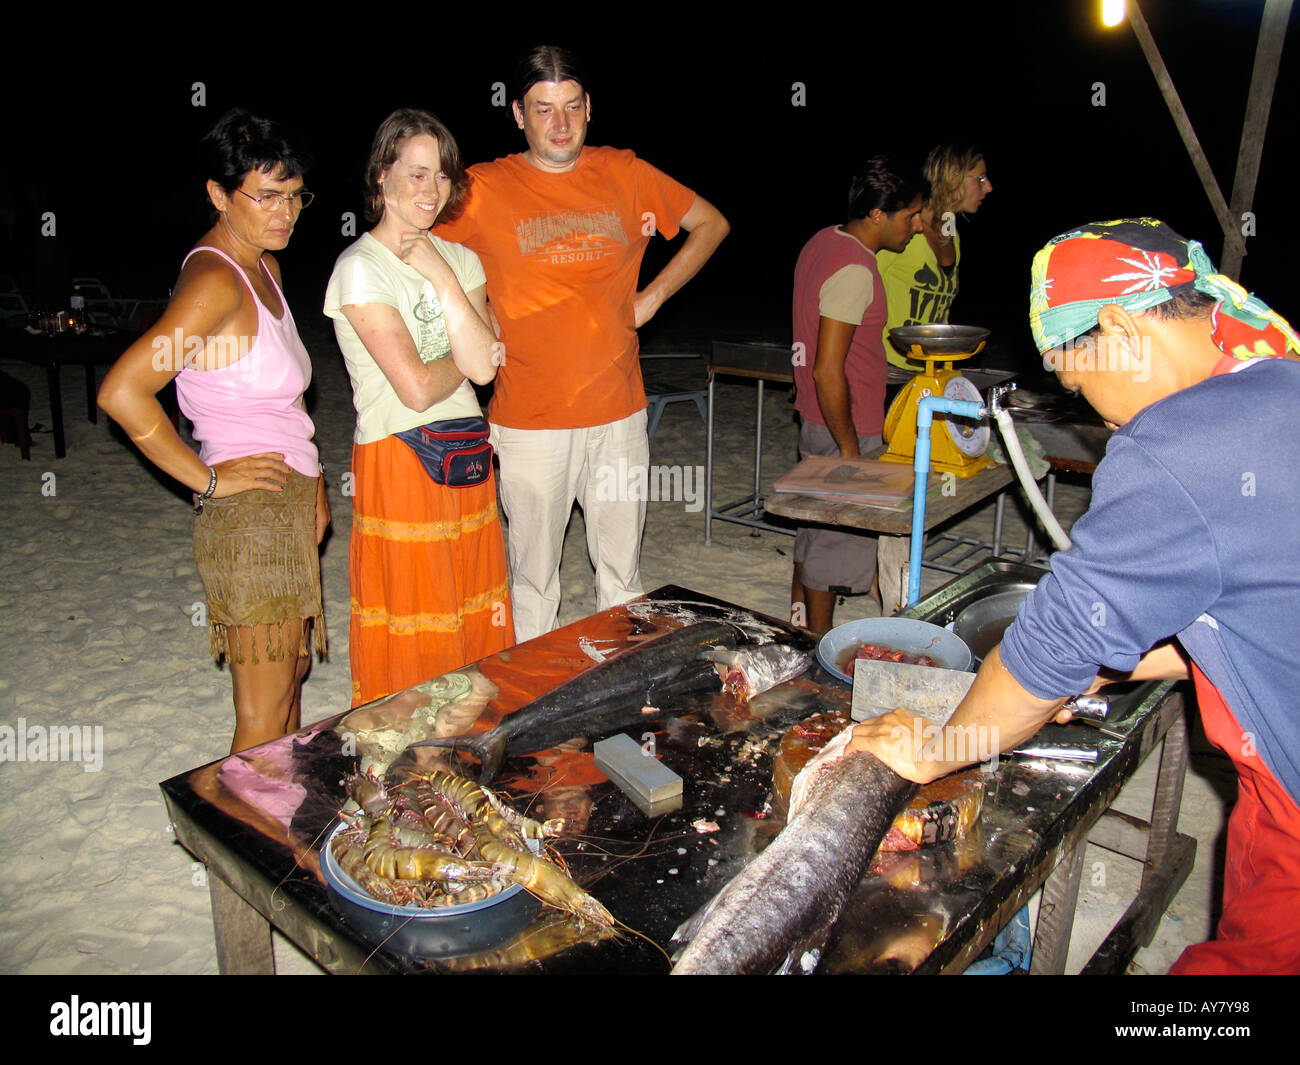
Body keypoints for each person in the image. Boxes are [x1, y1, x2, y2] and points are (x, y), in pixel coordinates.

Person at [849, 218, 1300, 973]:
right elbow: (1258, 609)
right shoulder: (1272, 378)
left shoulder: (1174, 448)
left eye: (1081, 384)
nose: (1100, 417)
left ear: (1121, 327)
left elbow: (1046, 651)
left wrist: (939, 748)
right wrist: (1119, 665)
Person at [434, 45, 730, 642]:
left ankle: (614, 696)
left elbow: (712, 224)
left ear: (589, 106)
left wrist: (655, 296)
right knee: (534, 581)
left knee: (622, 578)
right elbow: (412, 245)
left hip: (619, 412)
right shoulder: (484, 187)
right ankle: (533, 705)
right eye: (544, 109)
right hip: (529, 418)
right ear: (518, 114)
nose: (560, 124)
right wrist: (474, 314)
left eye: (572, 106)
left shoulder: (627, 173)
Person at [98, 109, 328, 753]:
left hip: (284, 499)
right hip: (248, 517)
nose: (285, 213)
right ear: (218, 194)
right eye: (265, 197)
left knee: (294, 675)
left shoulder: (264, 266)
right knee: (262, 709)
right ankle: (235, 845)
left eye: (295, 196)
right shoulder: (214, 282)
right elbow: (123, 391)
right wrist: (207, 479)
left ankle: (279, 816)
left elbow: (287, 405)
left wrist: (314, 487)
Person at [324, 109, 512, 707]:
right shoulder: (360, 270)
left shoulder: (459, 261)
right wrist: (474, 342)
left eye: (441, 176)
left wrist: (440, 276)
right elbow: (417, 387)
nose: (431, 191)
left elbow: (486, 369)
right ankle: (406, 763)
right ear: (382, 177)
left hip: (467, 458)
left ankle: (465, 755)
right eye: (416, 174)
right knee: (418, 614)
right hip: (402, 460)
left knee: (470, 607)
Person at [788, 158, 926, 634]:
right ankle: (821, 648)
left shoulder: (822, 241)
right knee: (836, 542)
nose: (918, 226)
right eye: (910, 216)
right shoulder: (854, 269)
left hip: (816, 418)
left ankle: (800, 626)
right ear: (877, 216)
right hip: (843, 423)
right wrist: (850, 450)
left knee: (813, 529)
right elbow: (829, 370)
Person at [878, 144, 993, 371]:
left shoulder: (951, 232)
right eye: (979, 178)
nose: (988, 187)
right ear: (952, 178)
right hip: (887, 366)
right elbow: (851, 291)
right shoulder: (905, 228)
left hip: (931, 367)